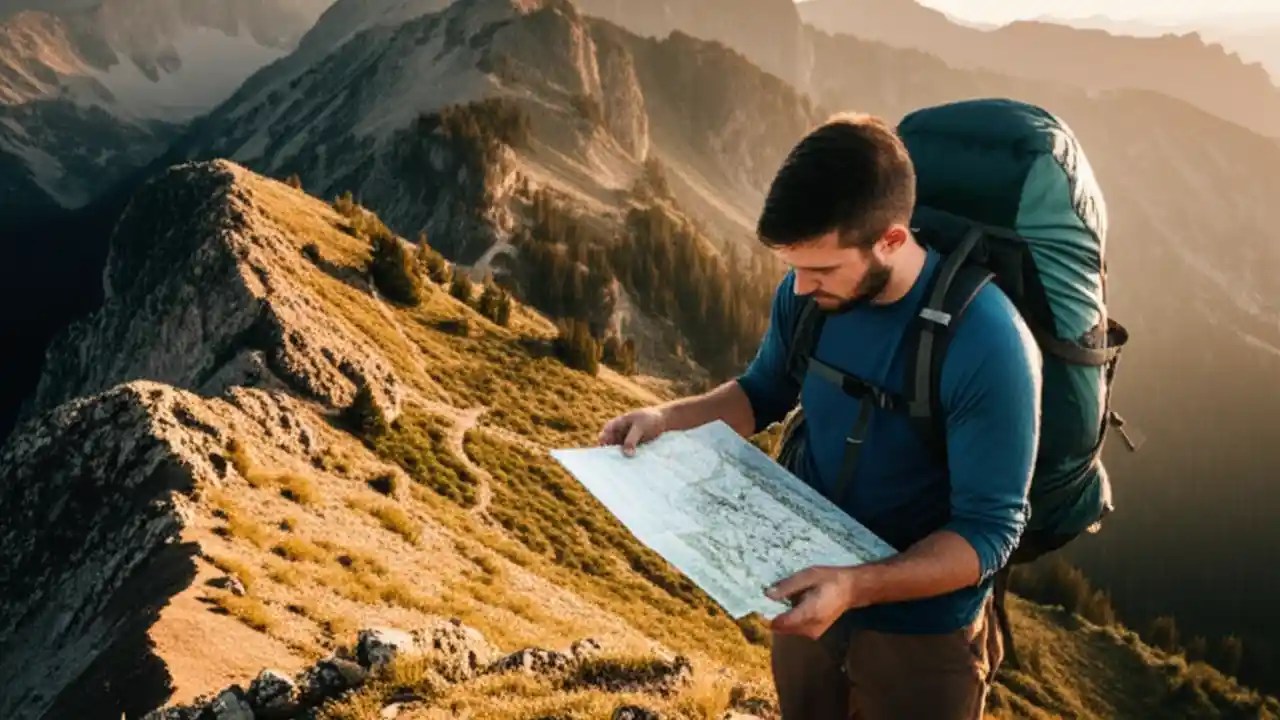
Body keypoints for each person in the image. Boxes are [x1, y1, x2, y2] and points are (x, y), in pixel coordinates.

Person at [597, 112, 1042, 719]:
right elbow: (763, 391)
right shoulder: (806, 296)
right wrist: (664, 418)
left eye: (822, 269)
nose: (801, 287)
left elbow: (988, 534)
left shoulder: (987, 342)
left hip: (921, 634)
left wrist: (856, 585)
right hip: (807, 596)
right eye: (794, 267)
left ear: (890, 238)